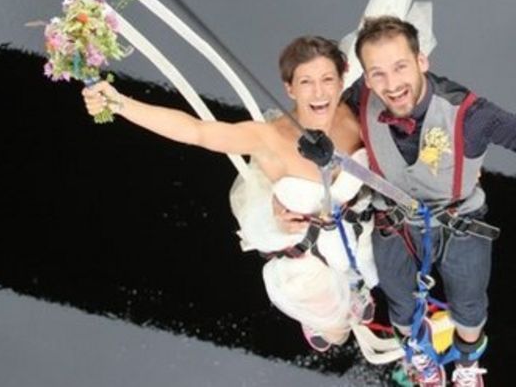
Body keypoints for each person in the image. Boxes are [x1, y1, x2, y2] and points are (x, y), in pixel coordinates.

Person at [81, 36, 377, 351]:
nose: (319, 92)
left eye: (327, 80)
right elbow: (197, 131)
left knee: (383, 282)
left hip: (355, 231)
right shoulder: (269, 138)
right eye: (306, 82)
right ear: (290, 89)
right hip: (306, 250)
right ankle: (330, 317)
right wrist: (120, 103)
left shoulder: (354, 117)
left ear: (341, 80)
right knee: (336, 330)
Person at [342, 16, 516, 387]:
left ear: (422, 61)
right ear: (364, 76)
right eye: (377, 73)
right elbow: (317, 125)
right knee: (399, 302)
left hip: (459, 223)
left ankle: (467, 365)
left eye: (400, 67)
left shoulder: (467, 113)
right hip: (393, 222)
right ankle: (421, 357)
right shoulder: (358, 99)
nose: (391, 85)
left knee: (470, 305)